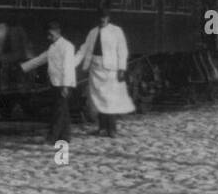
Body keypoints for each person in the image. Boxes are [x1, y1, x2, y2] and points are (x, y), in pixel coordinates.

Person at [77, 7, 135, 136]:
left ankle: (112, 129)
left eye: (104, 17)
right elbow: (84, 49)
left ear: (108, 18)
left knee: (110, 99)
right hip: (95, 69)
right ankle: (102, 128)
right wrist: (72, 63)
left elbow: (122, 50)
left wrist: (121, 68)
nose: (102, 19)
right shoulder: (93, 32)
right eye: (100, 17)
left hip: (110, 70)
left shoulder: (116, 31)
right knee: (99, 100)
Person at [20, 20, 77, 145]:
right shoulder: (53, 47)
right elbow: (40, 59)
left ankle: (52, 138)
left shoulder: (67, 46)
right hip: (55, 83)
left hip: (63, 84)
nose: (48, 37)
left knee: (58, 112)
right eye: (48, 35)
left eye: (50, 35)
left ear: (57, 32)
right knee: (63, 111)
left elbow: (68, 67)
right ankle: (66, 137)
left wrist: (65, 86)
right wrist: (23, 67)